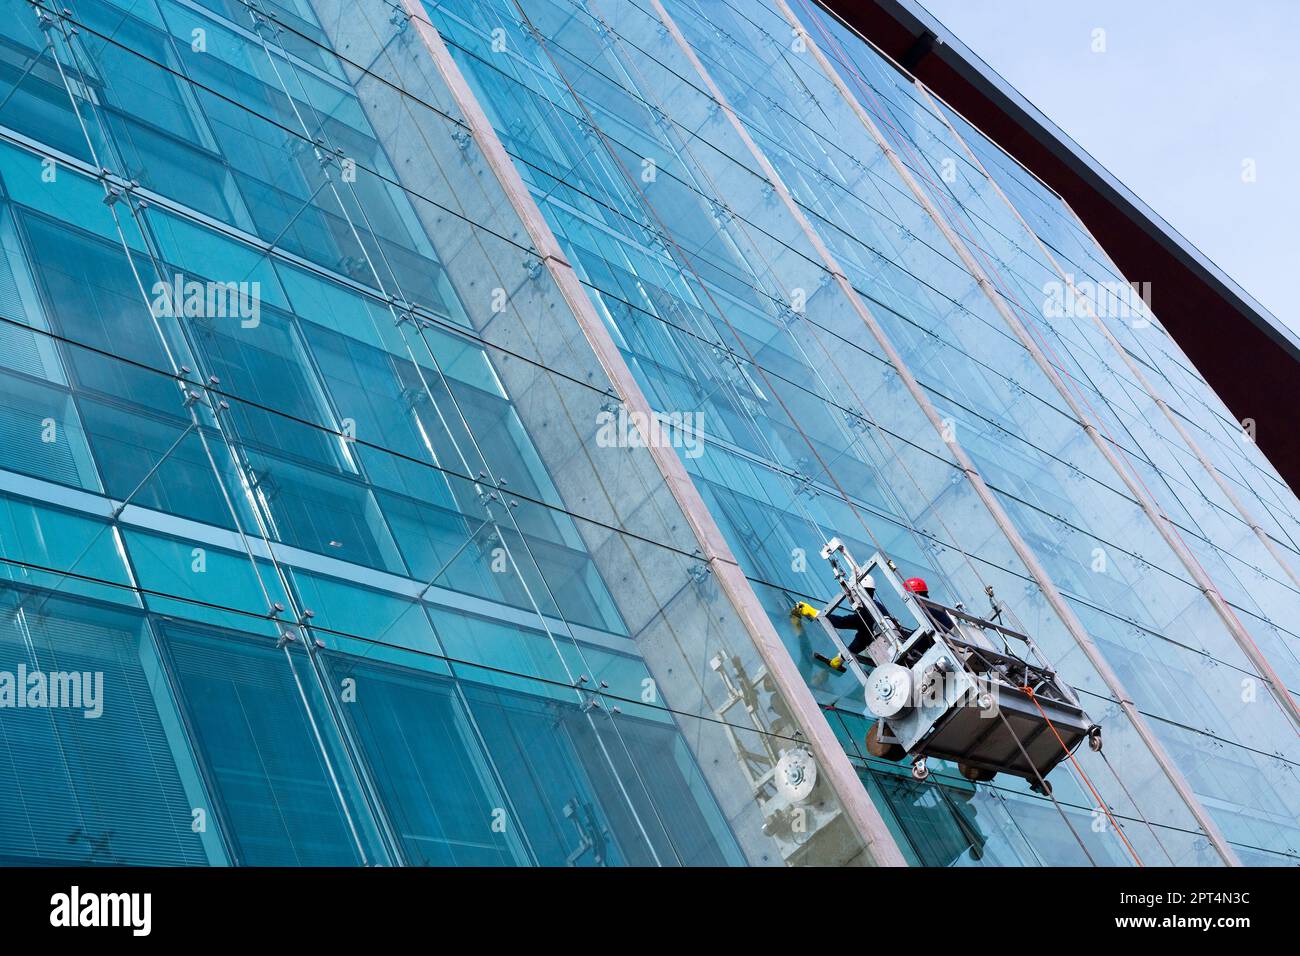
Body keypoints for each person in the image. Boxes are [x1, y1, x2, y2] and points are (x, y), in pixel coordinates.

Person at [792, 573, 898, 671]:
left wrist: (814, 613)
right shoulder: (877, 608)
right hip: (892, 657)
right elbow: (864, 638)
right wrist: (842, 657)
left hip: (892, 657)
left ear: (857, 592)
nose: (849, 596)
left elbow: (842, 622)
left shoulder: (869, 610)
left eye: (851, 593)